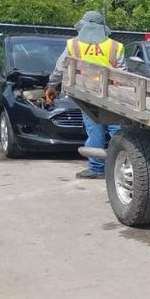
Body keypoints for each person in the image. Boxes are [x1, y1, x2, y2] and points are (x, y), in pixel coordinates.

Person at [49, 11, 125, 179]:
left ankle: (97, 168)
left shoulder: (74, 45)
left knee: (95, 131)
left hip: (87, 95)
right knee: (117, 131)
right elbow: (123, 73)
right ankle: (122, 165)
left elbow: (60, 68)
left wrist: (52, 86)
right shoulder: (115, 46)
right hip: (112, 96)